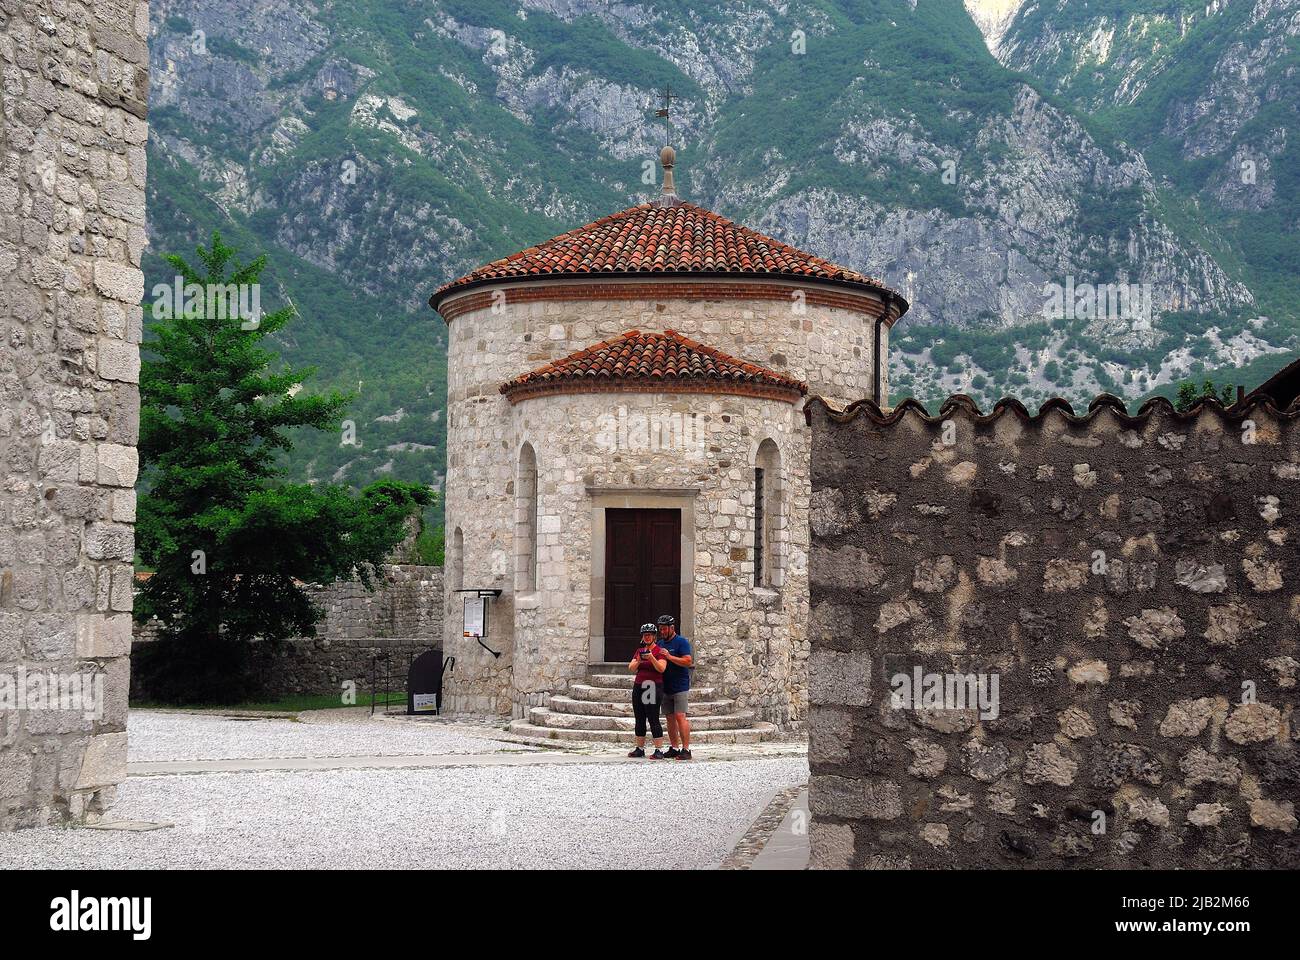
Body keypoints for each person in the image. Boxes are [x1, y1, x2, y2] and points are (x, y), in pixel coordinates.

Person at [627, 623, 668, 759]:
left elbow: (661, 668)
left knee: (652, 717)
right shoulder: (639, 651)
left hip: (652, 686)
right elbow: (631, 667)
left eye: (650, 635)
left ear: (654, 636)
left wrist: (651, 658)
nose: (647, 637)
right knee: (639, 717)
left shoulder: (659, 651)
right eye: (645, 635)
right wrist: (639, 660)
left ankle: (658, 750)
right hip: (639, 685)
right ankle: (639, 748)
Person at [656, 614, 694, 760]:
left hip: (680, 685)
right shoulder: (660, 644)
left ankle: (686, 749)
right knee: (669, 718)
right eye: (661, 629)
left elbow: (688, 661)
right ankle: (674, 747)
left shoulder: (681, 642)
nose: (662, 632)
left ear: (672, 628)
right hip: (666, 686)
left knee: (680, 716)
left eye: (665, 629)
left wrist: (670, 657)